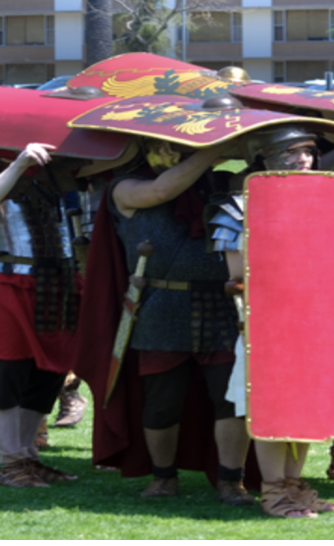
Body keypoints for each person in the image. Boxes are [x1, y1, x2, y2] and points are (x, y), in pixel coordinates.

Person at [105, 140, 253, 505]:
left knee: (233, 399)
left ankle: (231, 480)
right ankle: (163, 477)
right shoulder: (124, 187)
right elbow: (163, 190)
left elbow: (281, 176)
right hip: (161, 307)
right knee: (162, 402)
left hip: (222, 304)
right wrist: (214, 149)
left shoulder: (220, 183)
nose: (183, 154)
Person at [212, 125, 334, 518]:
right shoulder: (238, 208)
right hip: (268, 326)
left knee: (306, 407)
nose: (303, 159)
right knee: (270, 408)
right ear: (263, 159)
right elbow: (238, 277)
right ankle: (273, 492)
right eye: (290, 152)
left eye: (308, 151)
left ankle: (294, 486)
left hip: (316, 322)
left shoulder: (325, 200)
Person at [0, 144, 88, 489]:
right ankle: (10, 461)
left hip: (58, 281)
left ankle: (27, 455)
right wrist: (17, 165)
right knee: (8, 370)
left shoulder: (55, 170)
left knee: (51, 372)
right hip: (5, 281)